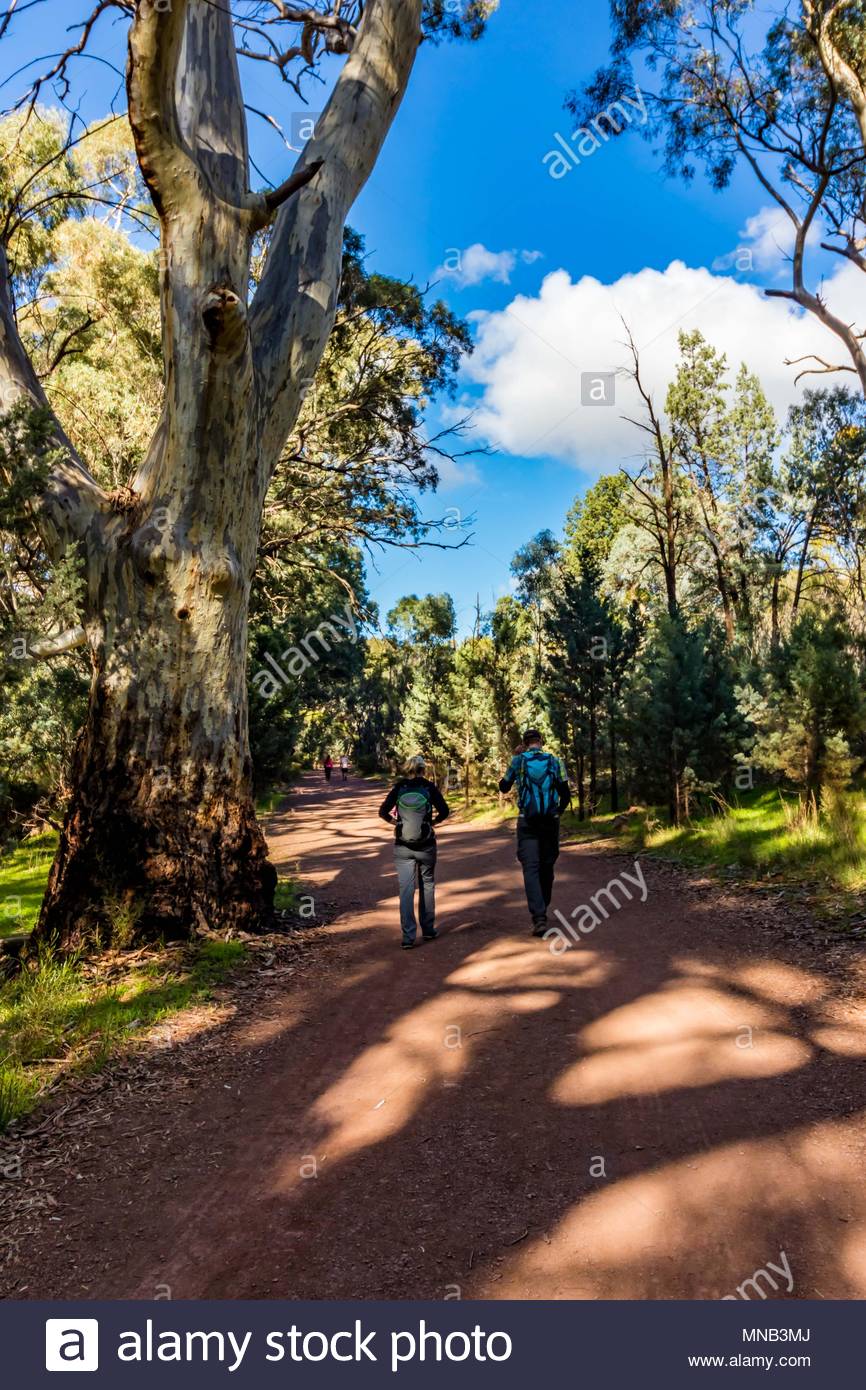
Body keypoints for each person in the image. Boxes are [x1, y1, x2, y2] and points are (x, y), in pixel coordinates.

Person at [499, 730, 570, 936]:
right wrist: (558, 812)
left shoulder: (518, 761)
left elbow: (504, 787)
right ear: (541, 742)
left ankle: (539, 917)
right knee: (547, 865)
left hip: (527, 821)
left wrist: (514, 760)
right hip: (550, 821)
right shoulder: (556, 761)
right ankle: (543, 905)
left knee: (530, 868)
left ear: (525, 743)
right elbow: (565, 793)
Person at [378, 756, 450, 949]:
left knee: (406, 890)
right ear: (422, 769)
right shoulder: (428, 787)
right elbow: (445, 811)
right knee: (427, 885)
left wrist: (397, 824)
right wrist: (432, 823)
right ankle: (428, 931)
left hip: (403, 847)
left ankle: (408, 937)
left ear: (408, 769)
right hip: (426, 845)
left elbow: (382, 812)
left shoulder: (399, 788)